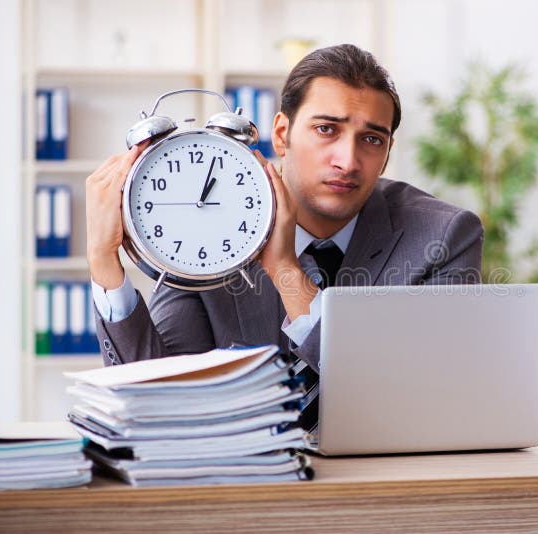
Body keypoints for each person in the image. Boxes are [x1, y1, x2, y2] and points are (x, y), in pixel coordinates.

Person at [86, 44, 483, 373]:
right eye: (326, 129)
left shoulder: (444, 237)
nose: (347, 160)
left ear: (387, 152)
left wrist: (285, 270)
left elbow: (420, 386)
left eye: (372, 139)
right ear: (281, 134)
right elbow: (162, 399)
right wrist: (104, 264)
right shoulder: (205, 241)